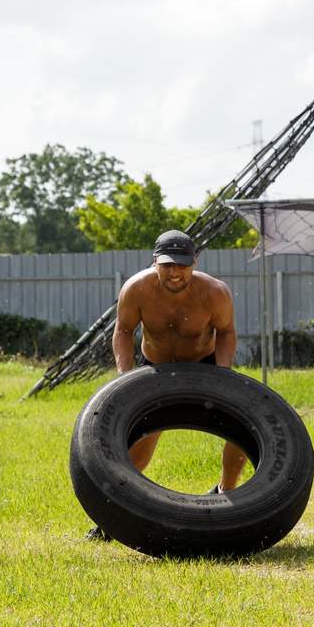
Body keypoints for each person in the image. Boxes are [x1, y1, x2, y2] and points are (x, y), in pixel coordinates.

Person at [87, 229, 247, 540]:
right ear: (155, 262)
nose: (175, 272)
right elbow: (123, 331)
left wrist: (223, 373)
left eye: (182, 265)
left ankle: (227, 490)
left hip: (205, 365)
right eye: (168, 265)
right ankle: (112, 518)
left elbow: (226, 332)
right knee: (139, 447)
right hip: (154, 370)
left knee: (241, 427)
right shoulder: (136, 289)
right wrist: (125, 376)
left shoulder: (215, 292)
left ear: (194, 263)